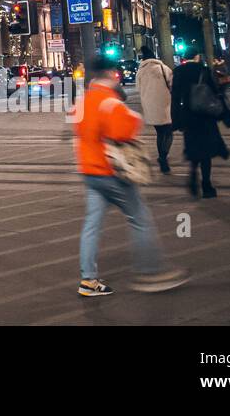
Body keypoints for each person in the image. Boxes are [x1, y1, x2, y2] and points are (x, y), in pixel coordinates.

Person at [73, 54, 187, 297]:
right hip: (111, 172)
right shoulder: (108, 101)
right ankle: (152, 272)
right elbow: (125, 129)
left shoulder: (83, 101)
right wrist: (131, 115)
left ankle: (88, 280)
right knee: (139, 218)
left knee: (91, 226)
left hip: (89, 171)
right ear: (109, 73)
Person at [170, 48, 230, 198]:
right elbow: (214, 92)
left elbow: (175, 97)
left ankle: (192, 175)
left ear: (185, 57)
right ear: (197, 56)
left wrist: (176, 119)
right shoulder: (204, 70)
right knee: (206, 151)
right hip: (204, 116)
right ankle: (206, 185)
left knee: (192, 147)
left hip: (188, 115)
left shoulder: (178, 71)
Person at [136, 43, 175, 174]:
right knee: (168, 132)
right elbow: (172, 84)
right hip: (165, 105)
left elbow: (138, 88)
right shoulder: (163, 68)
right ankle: (163, 157)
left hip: (150, 107)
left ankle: (162, 156)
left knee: (160, 133)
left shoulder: (140, 71)